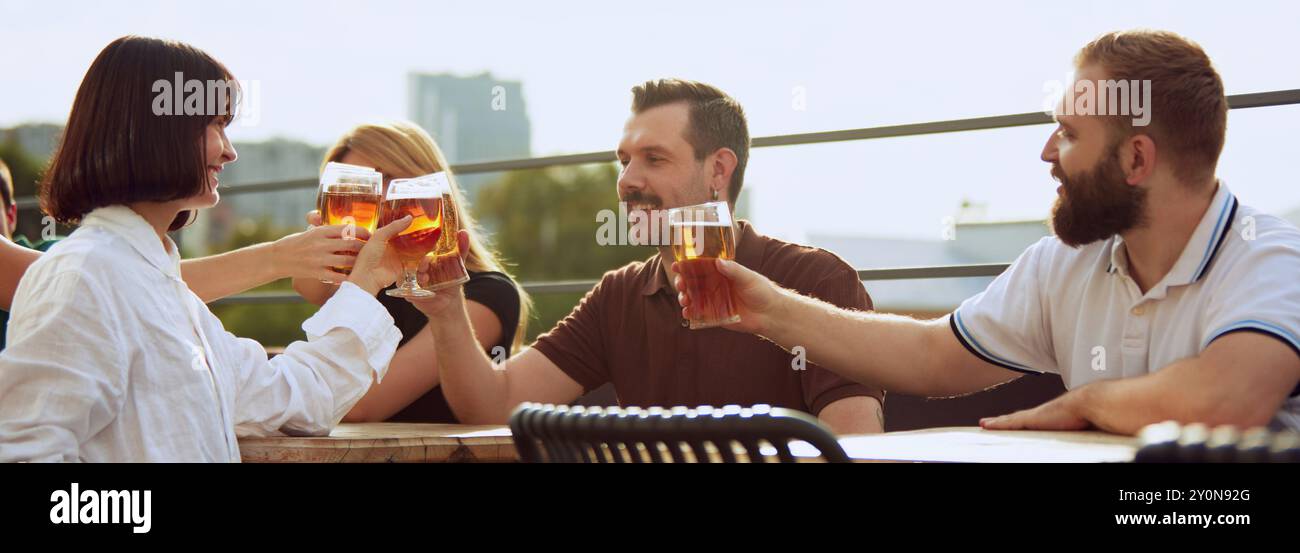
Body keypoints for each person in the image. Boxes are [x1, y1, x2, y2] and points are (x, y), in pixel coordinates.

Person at [672, 30, 1300, 435]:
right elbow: (929, 355)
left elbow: (1229, 399)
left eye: (1071, 133)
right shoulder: (1066, 264)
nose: (1047, 151)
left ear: (1137, 159)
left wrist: (1086, 403)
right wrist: (771, 310)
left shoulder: (1268, 257)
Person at [0, 35, 412, 462]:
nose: (230, 152)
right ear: (157, 129)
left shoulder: (172, 298)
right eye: (216, 125)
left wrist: (366, 282)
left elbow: (298, 398)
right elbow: (24, 454)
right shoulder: (82, 278)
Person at [405, 79, 885, 434]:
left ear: (719, 169)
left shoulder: (816, 279)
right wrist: (448, 311)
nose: (626, 181)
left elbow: (856, 443)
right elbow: (495, 406)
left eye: (654, 159)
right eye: (624, 160)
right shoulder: (620, 295)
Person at [292, 121, 530, 423]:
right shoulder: (373, 284)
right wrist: (329, 232)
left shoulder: (484, 294)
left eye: (386, 177)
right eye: (359, 184)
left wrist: (281, 395)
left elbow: (361, 407)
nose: (373, 196)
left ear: (427, 182)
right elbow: (307, 285)